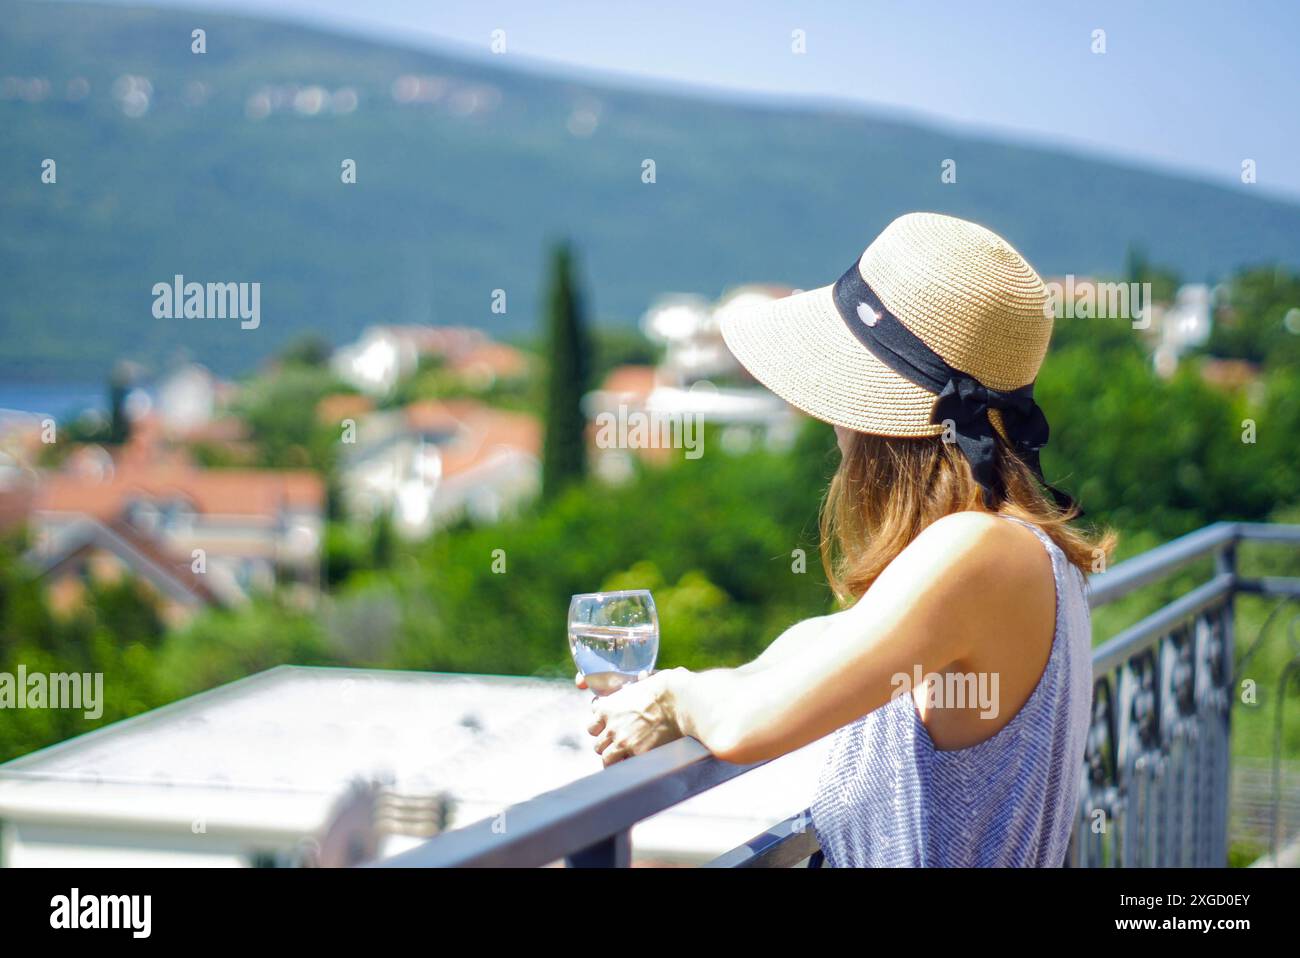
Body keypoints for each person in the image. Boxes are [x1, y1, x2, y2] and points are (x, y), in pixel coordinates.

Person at [581, 211, 1114, 867]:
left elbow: (748, 724)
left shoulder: (980, 553)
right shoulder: (1018, 553)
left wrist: (670, 696)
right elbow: (803, 655)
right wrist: (676, 691)